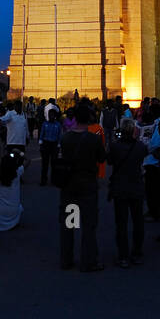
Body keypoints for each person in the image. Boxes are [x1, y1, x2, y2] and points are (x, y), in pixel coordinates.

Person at [58, 105, 106, 271]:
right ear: (90, 118)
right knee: (88, 225)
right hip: (88, 187)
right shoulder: (94, 139)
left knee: (69, 224)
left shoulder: (65, 138)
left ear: (75, 118)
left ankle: (67, 260)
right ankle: (88, 261)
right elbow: (102, 158)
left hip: (70, 187)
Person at [107, 119, 146, 266]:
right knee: (138, 222)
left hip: (120, 188)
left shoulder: (115, 146)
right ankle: (137, 251)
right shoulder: (140, 147)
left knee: (121, 223)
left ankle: (123, 255)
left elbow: (109, 161)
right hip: (136, 186)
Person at [0, 147, 25, 233]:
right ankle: (13, 222)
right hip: (14, 210)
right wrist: (20, 153)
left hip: (0, 211)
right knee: (19, 207)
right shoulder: (17, 173)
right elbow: (28, 161)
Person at [38, 108, 62, 187]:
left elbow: (59, 135)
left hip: (54, 144)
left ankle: (54, 180)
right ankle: (43, 180)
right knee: (45, 163)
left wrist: (59, 145)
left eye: (52, 114)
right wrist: (41, 144)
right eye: (49, 114)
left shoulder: (58, 124)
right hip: (46, 144)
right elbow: (42, 134)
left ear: (55, 116)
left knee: (54, 163)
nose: (50, 116)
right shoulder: (45, 124)